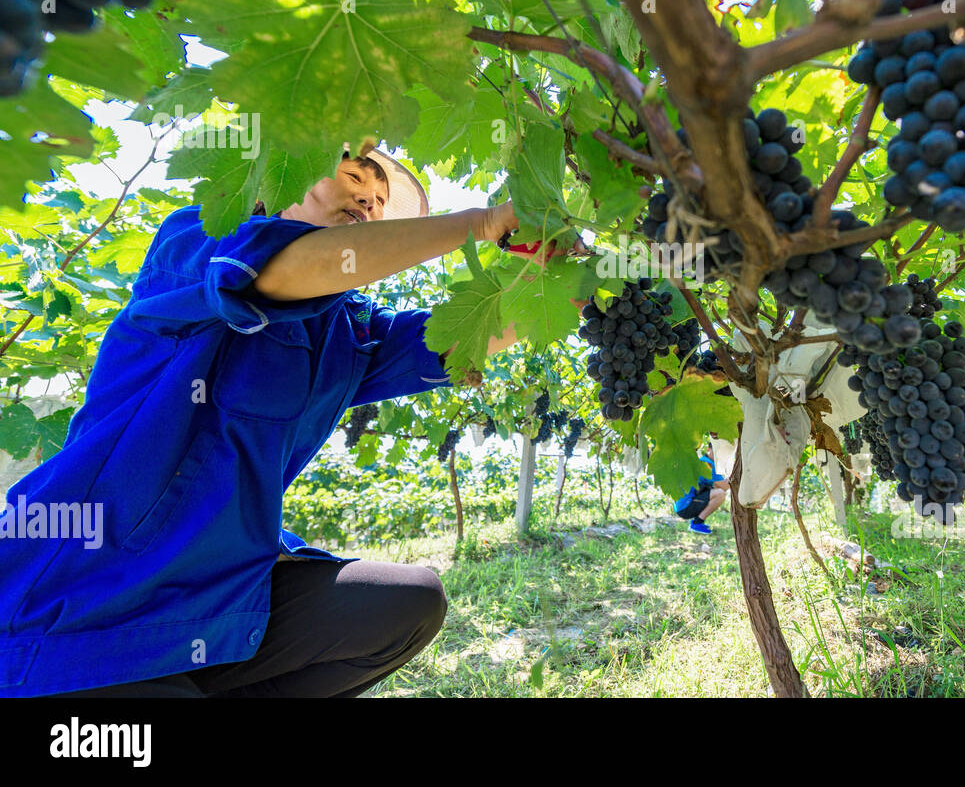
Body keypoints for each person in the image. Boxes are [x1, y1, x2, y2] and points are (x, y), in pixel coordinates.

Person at [0, 141, 556, 698]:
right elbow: (280, 266)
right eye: (354, 177)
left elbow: (457, 339)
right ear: (278, 179)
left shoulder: (350, 334)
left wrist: (560, 284)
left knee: (408, 602)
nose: (370, 201)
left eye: (381, 200)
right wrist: (484, 221)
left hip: (220, 602)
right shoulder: (197, 240)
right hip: (82, 610)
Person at [673, 440, 730, 535]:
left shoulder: (705, 461)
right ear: (708, 449)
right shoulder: (707, 464)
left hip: (682, 506)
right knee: (720, 494)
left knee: (717, 491)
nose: (718, 454)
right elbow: (723, 486)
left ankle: (697, 523)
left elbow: (718, 485)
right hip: (685, 506)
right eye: (715, 450)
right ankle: (697, 523)